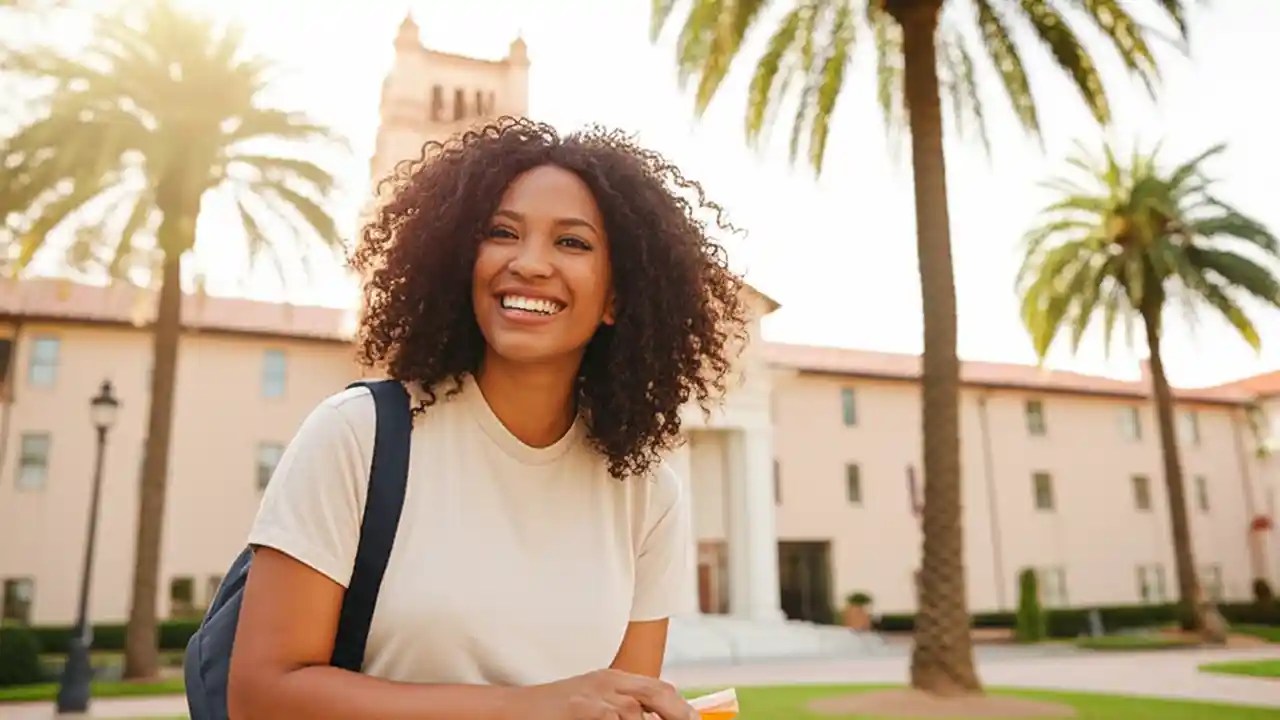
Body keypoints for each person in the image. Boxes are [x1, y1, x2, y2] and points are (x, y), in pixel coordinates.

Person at [226, 117, 749, 720]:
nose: (528, 263)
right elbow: (259, 697)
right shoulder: (357, 435)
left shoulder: (648, 495)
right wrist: (522, 708)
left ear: (616, 298)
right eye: (502, 232)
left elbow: (615, 705)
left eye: (572, 242)